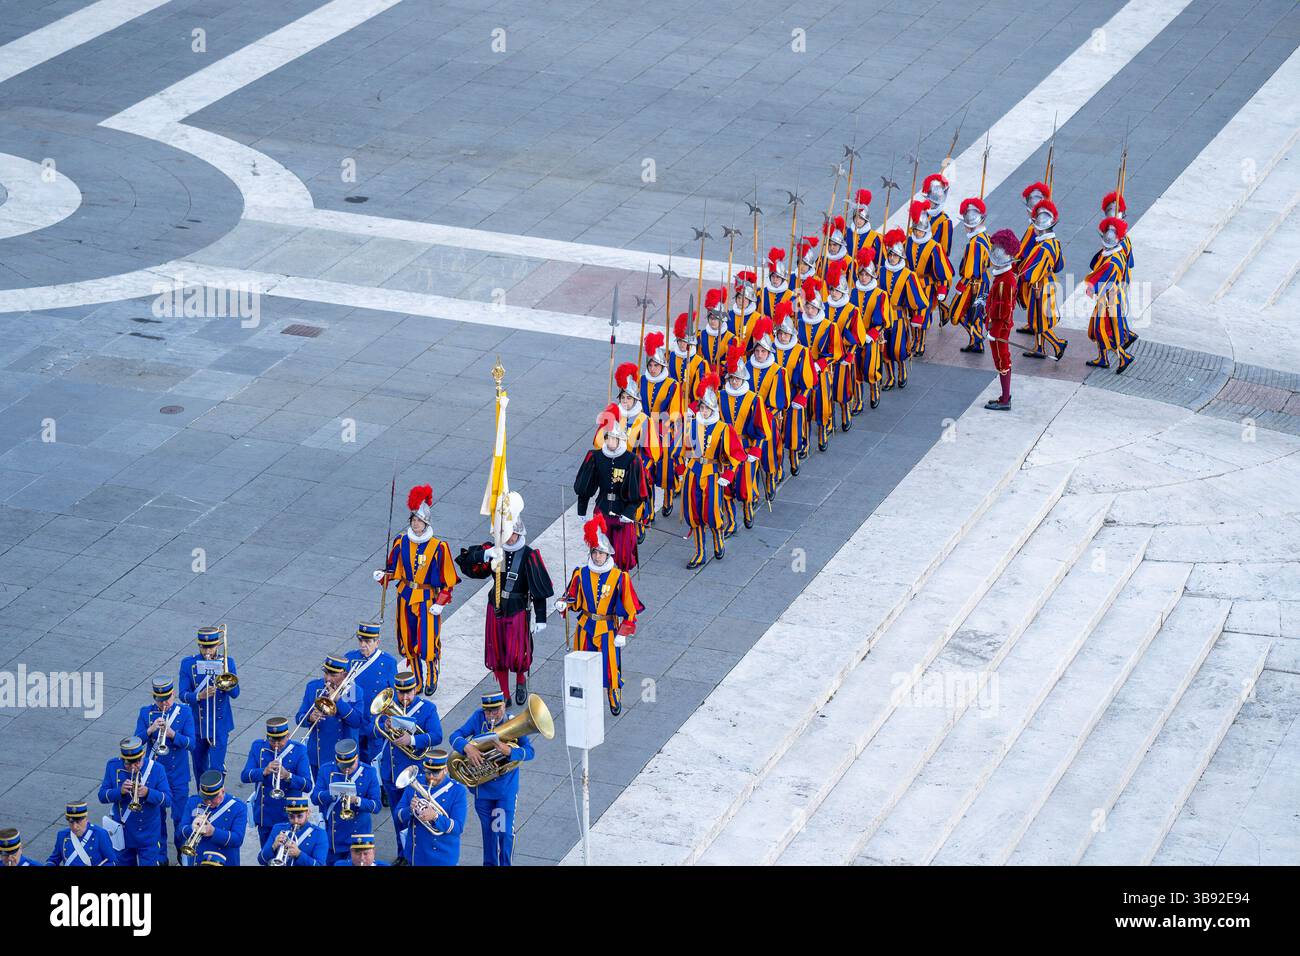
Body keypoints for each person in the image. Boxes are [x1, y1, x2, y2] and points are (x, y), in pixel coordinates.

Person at [455, 502, 553, 705]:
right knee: (497, 652)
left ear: (519, 533)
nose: (509, 538)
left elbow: (539, 589)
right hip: (496, 607)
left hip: (517, 609)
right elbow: (468, 565)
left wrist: (541, 618)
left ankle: (520, 679)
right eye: (506, 533)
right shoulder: (493, 550)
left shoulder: (529, 555)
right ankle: (504, 693)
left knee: (516, 654)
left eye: (512, 534)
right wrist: (485, 555)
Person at [376, 484, 459, 695]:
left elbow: (447, 579)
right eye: (413, 520)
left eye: (419, 520)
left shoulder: (439, 547)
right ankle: (417, 679)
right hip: (405, 595)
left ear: (426, 522)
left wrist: (440, 602)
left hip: (427, 598)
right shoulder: (401, 541)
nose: (415, 523)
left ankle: (432, 675)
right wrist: (383, 576)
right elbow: (393, 569)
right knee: (408, 639)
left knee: (428, 641)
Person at [558, 515, 643, 712]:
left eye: (601, 553)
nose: (597, 556)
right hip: (585, 627)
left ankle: (613, 693)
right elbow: (572, 597)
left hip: (608, 628)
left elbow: (631, 609)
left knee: (610, 665)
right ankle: (585, 697)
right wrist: (564, 604)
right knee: (583, 665)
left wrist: (624, 632)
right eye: (595, 552)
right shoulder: (580, 573)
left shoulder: (620, 577)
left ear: (608, 555)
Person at [450, 692, 536, 866]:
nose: (491, 716)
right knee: (489, 833)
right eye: (488, 711)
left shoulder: (513, 722)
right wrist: (467, 747)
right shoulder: (477, 717)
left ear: (504, 706)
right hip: (483, 791)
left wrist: (510, 752)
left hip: (505, 790)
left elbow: (530, 752)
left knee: (504, 833)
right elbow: (455, 735)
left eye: (495, 711)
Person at [675, 372, 746, 566]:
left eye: (707, 407)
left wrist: (729, 474)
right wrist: (681, 469)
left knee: (713, 513)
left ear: (713, 408)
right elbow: (681, 448)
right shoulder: (691, 424)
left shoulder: (724, 428)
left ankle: (718, 539)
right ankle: (699, 552)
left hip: (714, 474)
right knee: (694, 514)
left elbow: (738, 454)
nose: (703, 410)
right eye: (701, 407)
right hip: (694, 472)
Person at [371, 670, 442, 864]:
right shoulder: (388, 710)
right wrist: (384, 728)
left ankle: (417, 855)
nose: (404, 697)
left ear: (415, 690)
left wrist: (411, 739)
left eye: (408, 692)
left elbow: (437, 736)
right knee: (398, 817)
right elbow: (372, 731)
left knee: (417, 815)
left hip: (413, 775)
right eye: (401, 693)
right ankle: (402, 853)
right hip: (391, 772)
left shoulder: (427, 709)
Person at [575, 402, 648, 571]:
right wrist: (582, 509)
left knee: (622, 553)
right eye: (608, 438)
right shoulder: (595, 457)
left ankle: (621, 582)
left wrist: (630, 512)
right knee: (599, 549)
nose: (611, 442)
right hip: (601, 511)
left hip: (622, 511)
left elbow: (638, 492)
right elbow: (585, 486)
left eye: (614, 438)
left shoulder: (631, 460)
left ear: (620, 439)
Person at [134, 675, 193, 859]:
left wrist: (172, 734)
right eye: (160, 700)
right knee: (156, 820)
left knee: (180, 818)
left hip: (178, 776)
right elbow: (136, 742)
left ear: (173, 694)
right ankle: (161, 859)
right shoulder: (146, 713)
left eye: (167, 699)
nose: (164, 704)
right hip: (156, 776)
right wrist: (150, 730)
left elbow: (192, 744)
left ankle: (182, 856)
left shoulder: (184, 713)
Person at [719, 343, 770, 528]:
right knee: (726, 486)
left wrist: (756, 449)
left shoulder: (754, 399)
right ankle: (731, 522)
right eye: (731, 378)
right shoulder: (720, 396)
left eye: (737, 379)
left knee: (744, 484)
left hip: (746, 447)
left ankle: (748, 508)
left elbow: (761, 427)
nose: (734, 382)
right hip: (726, 449)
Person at [240, 715, 311, 848]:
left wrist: (288, 775)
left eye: (280, 741)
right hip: (266, 816)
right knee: (268, 854)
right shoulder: (258, 747)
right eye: (272, 741)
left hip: (289, 816)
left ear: (288, 736)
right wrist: (263, 771)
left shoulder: (299, 750)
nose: (276, 745)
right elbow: (244, 776)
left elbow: (307, 785)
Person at [97, 735, 169, 866]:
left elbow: (167, 800)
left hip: (148, 833)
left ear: (142, 757)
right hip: (124, 833)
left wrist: (148, 792)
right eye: (129, 763)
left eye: (137, 762)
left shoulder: (157, 769)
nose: (133, 767)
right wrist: (120, 791)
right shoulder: (113, 766)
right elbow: (102, 796)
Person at [178, 625, 238, 778]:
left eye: (210, 648)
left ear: (217, 645)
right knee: (199, 769)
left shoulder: (227, 662)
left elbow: (235, 694)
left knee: (215, 769)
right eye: (203, 647)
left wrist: (226, 681)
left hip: (219, 725)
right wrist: (198, 696)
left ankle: (216, 798)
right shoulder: (188, 664)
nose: (207, 652)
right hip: (197, 725)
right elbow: (183, 694)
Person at [394, 749, 468, 867]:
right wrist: (410, 810)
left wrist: (435, 817)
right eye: (428, 772)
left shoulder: (457, 791)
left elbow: (458, 827)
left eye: (435, 773)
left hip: (443, 856)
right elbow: (397, 816)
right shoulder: (414, 783)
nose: (431, 777)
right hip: (417, 854)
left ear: (445, 770)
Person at [313, 740, 381, 866]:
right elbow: (315, 798)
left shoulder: (369, 772)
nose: (347, 769)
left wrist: (357, 800)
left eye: (351, 765)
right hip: (334, 836)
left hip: (359, 835)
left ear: (357, 758)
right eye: (343, 766)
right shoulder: (326, 770)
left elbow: (376, 806)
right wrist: (332, 793)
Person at [295, 654, 363, 779]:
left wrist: (339, 701)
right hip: (318, 754)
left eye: (333, 675)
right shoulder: (313, 687)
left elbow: (357, 721)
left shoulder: (354, 691)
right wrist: (310, 717)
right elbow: (299, 717)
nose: (328, 679)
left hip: (343, 755)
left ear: (345, 674)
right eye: (326, 673)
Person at [1018, 198, 1068, 362]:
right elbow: (1059, 265)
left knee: (1038, 320)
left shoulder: (1043, 248)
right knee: (1039, 318)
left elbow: (1031, 274)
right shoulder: (1054, 242)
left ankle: (1058, 344)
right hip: (1048, 283)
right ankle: (1039, 347)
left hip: (1040, 287)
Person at [747, 316, 793, 492]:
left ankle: (771, 477)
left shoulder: (777, 372)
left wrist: (763, 416)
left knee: (769, 451)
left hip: (769, 417)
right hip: (749, 417)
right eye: (757, 351)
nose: (759, 355)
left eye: (763, 352)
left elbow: (779, 401)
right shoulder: (747, 367)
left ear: (769, 353)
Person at [904, 199, 954, 358]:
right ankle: (913, 341)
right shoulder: (908, 242)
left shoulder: (934, 246)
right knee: (912, 314)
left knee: (923, 315)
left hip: (926, 286)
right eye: (915, 230)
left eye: (919, 230)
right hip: (911, 284)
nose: (917, 233)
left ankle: (921, 343)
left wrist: (942, 288)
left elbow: (941, 270)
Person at [639, 331, 682, 519]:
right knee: (646, 470)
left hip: (664, 430)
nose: (653, 368)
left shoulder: (672, 384)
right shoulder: (641, 380)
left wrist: (662, 423)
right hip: (644, 431)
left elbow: (675, 412)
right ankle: (649, 509)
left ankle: (668, 497)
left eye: (656, 365)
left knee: (666, 468)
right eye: (651, 365)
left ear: (662, 365)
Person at [879, 227, 927, 390]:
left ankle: (902, 371)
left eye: (895, 255)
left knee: (898, 348)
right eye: (890, 254)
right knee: (885, 349)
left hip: (899, 316)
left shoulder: (908, 275)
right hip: (884, 316)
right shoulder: (881, 271)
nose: (892, 258)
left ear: (900, 257)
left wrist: (917, 317)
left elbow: (918, 299)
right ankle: (890, 377)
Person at [1085, 216, 1135, 373]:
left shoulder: (1113, 261)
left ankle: (1123, 356)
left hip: (1109, 300)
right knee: (1098, 328)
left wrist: (1093, 288)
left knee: (1104, 331)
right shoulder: (1111, 254)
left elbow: (1106, 281)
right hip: (1106, 299)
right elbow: (1095, 265)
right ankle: (1103, 358)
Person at [795, 275, 839, 452]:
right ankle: (804, 440)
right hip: (803, 370)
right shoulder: (798, 323)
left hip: (820, 371)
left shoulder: (829, 326)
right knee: (804, 406)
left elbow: (835, 351)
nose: (810, 310)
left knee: (821, 404)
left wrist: (820, 364)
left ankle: (822, 432)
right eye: (807, 306)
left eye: (813, 307)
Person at [345, 620, 398, 764]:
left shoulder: (388, 662)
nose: (363, 645)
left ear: (377, 642)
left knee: (375, 761)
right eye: (361, 640)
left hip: (375, 720)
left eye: (368, 641)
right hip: (355, 718)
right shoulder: (349, 658)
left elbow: (393, 693)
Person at [772, 300, 814, 470]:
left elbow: (807, 379)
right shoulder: (770, 349)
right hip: (775, 398)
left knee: (793, 431)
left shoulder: (801, 351)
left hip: (794, 395)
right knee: (776, 436)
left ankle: (794, 456)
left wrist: (801, 397)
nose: (783, 337)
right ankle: (779, 465)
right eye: (781, 333)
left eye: (786, 334)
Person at [983, 229, 1022, 411]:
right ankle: (1004, 396)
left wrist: (994, 332)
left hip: (999, 329)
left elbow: (1003, 310)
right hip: (998, 327)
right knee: (1001, 361)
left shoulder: (1005, 281)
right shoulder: (1004, 277)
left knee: (1002, 361)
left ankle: (1005, 399)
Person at [823, 259, 865, 428]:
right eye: (832, 290)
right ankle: (830, 418)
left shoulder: (852, 310)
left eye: (837, 290)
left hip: (844, 355)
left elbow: (857, 336)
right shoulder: (824, 307)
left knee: (843, 387)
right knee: (828, 389)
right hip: (827, 354)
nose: (833, 293)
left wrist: (849, 353)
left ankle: (845, 412)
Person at [848, 248, 890, 410]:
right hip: (854, 337)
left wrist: (871, 334)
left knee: (870, 368)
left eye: (867, 275)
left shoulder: (880, 294)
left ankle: (874, 390)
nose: (864, 277)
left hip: (871, 337)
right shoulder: (852, 293)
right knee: (856, 370)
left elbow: (882, 321)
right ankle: (858, 401)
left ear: (872, 276)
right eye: (861, 274)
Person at [949, 197, 992, 354]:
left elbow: (970, 271)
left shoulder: (975, 243)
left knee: (956, 313)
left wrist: (961, 286)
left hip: (973, 284)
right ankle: (976, 343)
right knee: (976, 314)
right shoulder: (985, 237)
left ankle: (977, 337)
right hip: (984, 281)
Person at [178, 770, 246, 866]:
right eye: (205, 798)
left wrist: (213, 832)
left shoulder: (238, 807)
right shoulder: (193, 802)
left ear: (222, 791)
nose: (208, 802)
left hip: (223, 861)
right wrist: (191, 828)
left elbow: (237, 839)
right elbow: (180, 832)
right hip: (198, 860)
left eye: (212, 798)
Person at [257, 795, 327, 867]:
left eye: (300, 816)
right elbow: (261, 860)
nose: (296, 821)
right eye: (291, 817)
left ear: (308, 813)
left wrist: (299, 854)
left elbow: (319, 864)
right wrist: (273, 847)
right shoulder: (278, 828)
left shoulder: (319, 834)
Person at [45, 803, 118, 866]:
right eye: (71, 822)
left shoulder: (100, 834)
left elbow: (113, 862)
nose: (74, 827)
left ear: (86, 818)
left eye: (78, 822)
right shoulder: (62, 835)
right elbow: (53, 860)